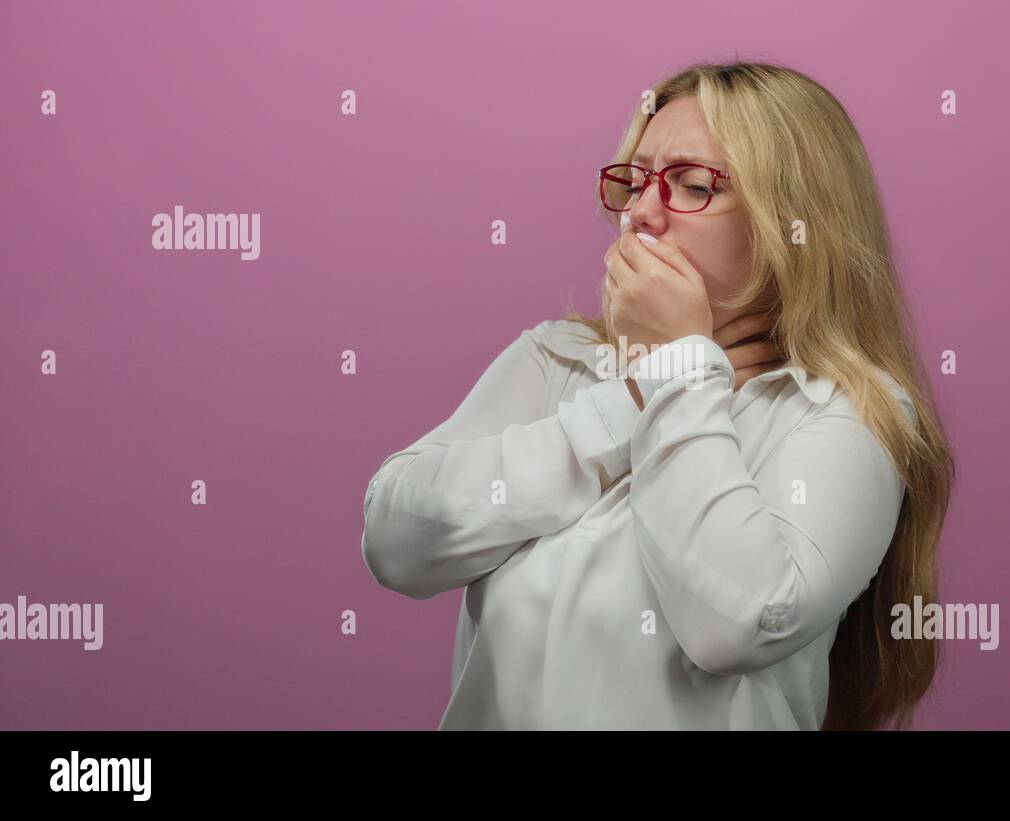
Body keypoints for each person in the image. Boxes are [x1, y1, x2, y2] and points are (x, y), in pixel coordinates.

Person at [361, 61, 955, 730]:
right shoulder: (556, 359)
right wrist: (629, 400)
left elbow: (737, 624)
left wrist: (678, 365)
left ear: (793, 221)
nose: (642, 213)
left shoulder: (846, 413)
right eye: (637, 179)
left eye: (692, 185)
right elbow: (396, 540)